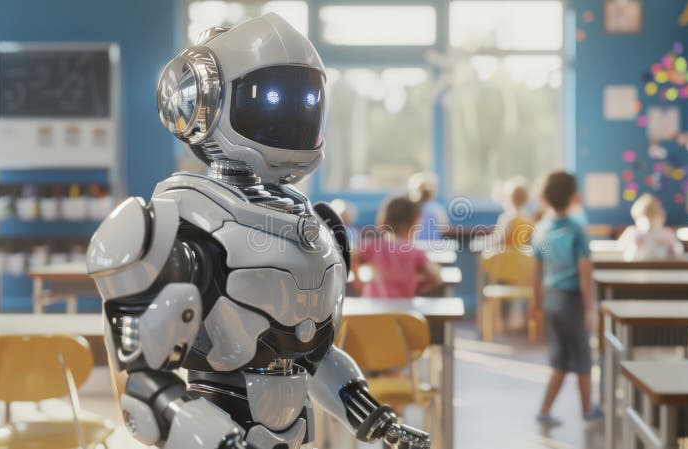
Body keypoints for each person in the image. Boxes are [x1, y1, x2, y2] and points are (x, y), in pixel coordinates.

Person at [85, 14, 430, 449]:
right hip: (216, 428)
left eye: (307, 100)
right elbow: (144, 389)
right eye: (271, 97)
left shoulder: (318, 228)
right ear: (204, 98)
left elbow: (314, 359)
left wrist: (378, 423)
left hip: (295, 431)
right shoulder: (181, 226)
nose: (294, 114)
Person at [530, 171, 602, 427]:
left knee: (559, 359)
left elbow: (538, 270)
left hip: (552, 300)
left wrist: (535, 302)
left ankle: (544, 409)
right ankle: (587, 409)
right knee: (583, 357)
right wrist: (590, 308)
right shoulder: (577, 232)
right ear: (574, 197)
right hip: (572, 301)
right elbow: (584, 273)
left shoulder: (541, 231)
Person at [353, 195, 442, 298]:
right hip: (402, 312)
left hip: (372, 311)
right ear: (415, 223)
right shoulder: (415, 253)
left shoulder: (371, 246)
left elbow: (349, 259)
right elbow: (436, 277)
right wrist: (418, 287)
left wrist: (358, 282)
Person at [618, 193, 683, 261]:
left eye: (652, 217)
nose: (649, 222)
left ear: (661, 217)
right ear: (636, 218)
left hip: (661, 268)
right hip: (636, 268)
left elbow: (679, 250)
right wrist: (633, 245)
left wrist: (670, 246)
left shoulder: (666, 233)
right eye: (644, 217)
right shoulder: (633, 232)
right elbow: (620, 248)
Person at [408, 172, 449, 240]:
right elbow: (444, 228)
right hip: (434, 247)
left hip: (413, 246)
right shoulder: (437, 209)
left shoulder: (408, 209)